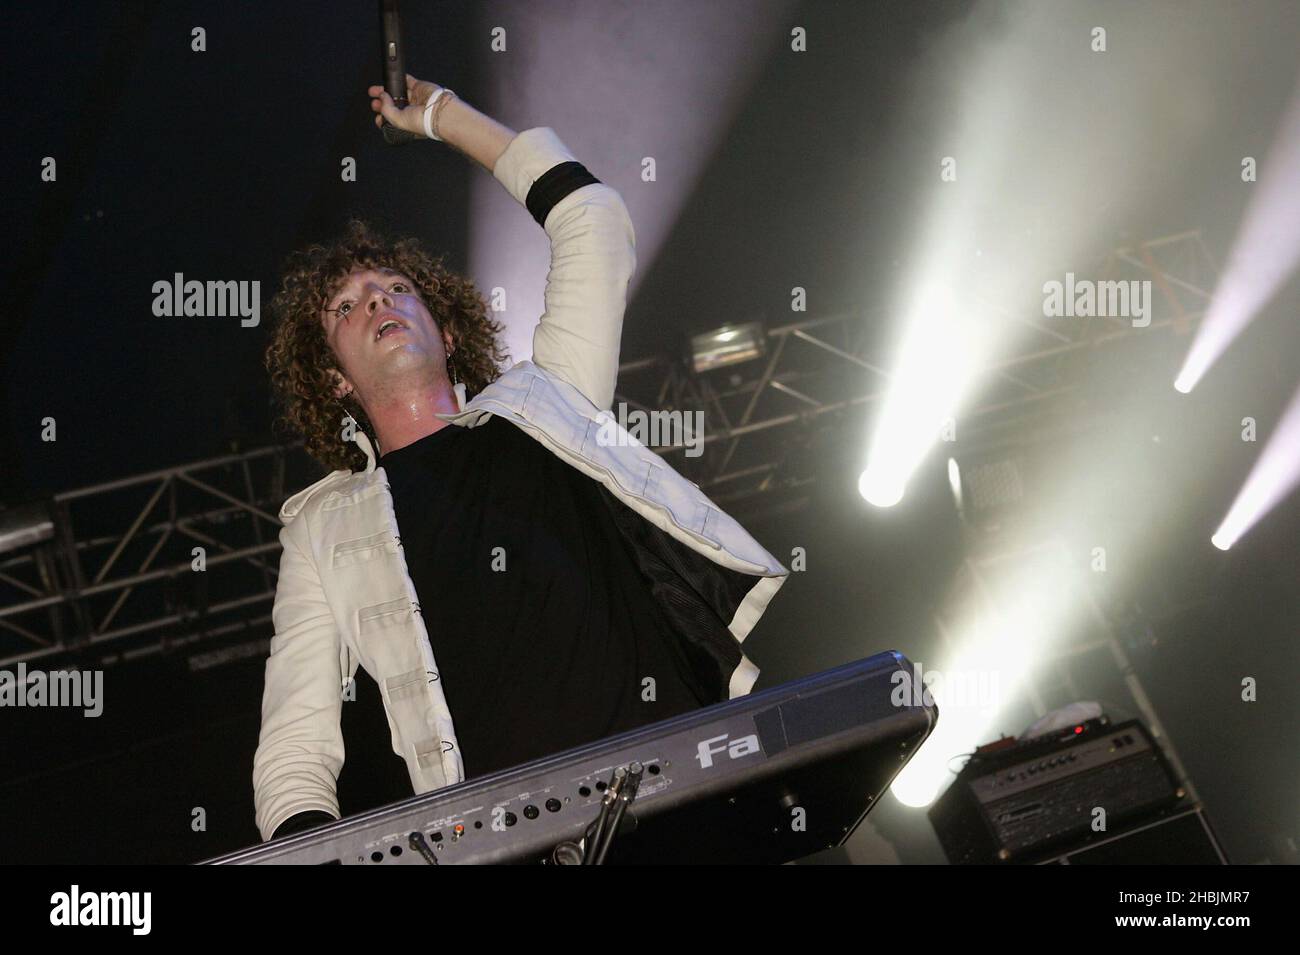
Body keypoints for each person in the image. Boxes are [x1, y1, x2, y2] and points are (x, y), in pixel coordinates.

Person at [253, 74, 788, 843]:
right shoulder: (322, 528)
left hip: (690, 796)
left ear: (442, 323)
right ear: (333, 375)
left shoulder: (547, 400)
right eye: (347, 305)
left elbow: (593, 220)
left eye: (395, 286)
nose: (376, 301)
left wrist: (443, 117)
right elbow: (295, 745)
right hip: (528, 845)